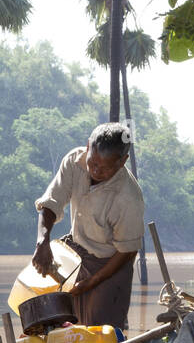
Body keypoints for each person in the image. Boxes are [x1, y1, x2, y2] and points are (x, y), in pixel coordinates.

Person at [32, 122, 145, 330]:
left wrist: (90, 283)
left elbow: (127, 252)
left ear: (122, 162)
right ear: (88, 146)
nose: (96, 171)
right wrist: (42, 242)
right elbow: (50, 205)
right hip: (75, 251)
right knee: (55, 320)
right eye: (93, 163)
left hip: (109, 263)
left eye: (105, 168)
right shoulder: (74, 162)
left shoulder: (129, 197)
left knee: (100, 334)